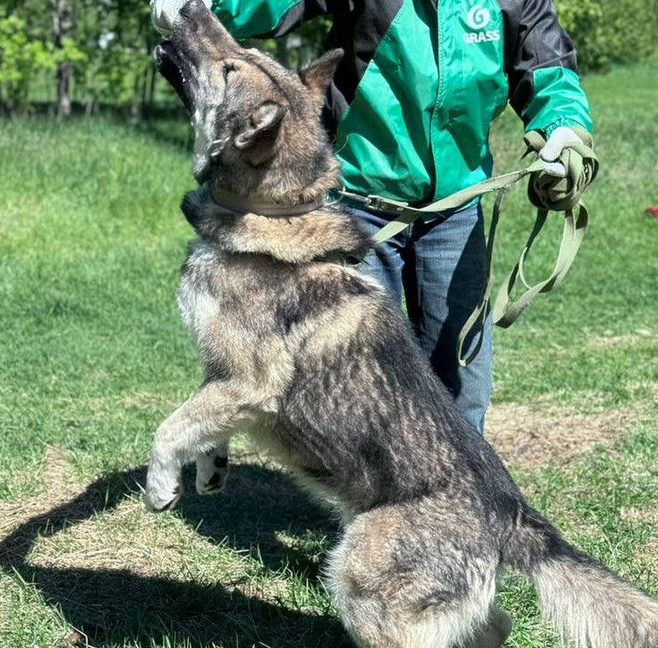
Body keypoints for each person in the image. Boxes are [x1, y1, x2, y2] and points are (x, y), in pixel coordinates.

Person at [151, 0, 598, 433]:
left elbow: (547, 66)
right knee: (350, 374)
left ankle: (461, 500)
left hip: (457, 212)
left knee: (462, 380)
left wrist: (564, 129)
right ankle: (364, 499)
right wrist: (204, 5)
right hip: (359, 208)